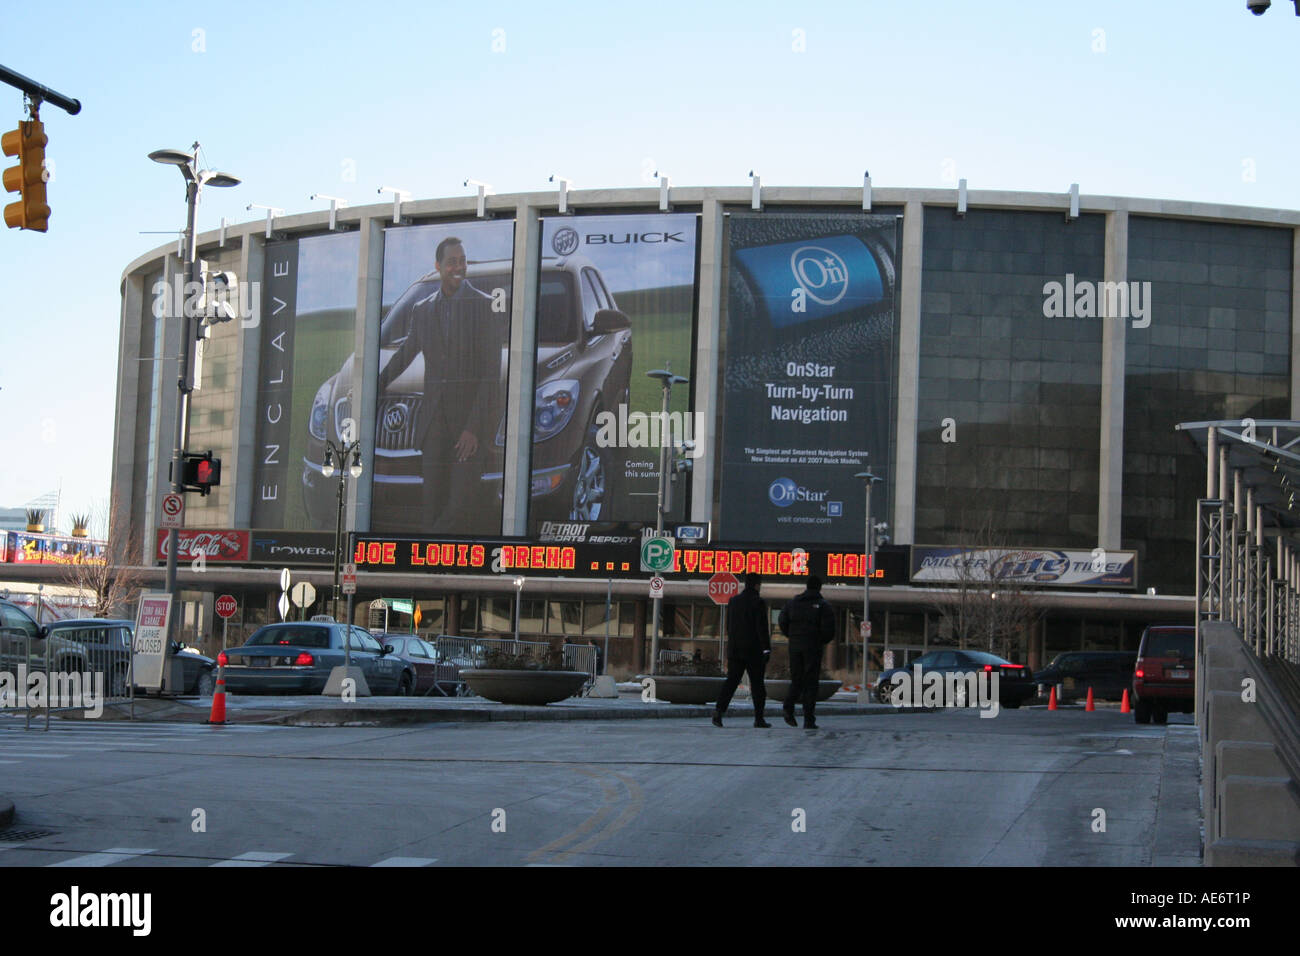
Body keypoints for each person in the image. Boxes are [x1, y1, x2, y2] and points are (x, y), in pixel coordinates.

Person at [377, 236, 503, 532]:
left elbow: (490, 375)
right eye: (452, 262)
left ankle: (438, 559)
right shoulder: (422, 310)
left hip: (468, 429)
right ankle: (428, 569)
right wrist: (374, 386)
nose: (458, 267)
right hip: (433, 425)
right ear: (438, 267)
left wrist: (473, 428)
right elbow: (405, 355)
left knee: (458, 506)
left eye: (462, 261)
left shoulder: (485, 308)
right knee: (430, 504)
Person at [713, 573, 771, 728]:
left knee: (731, 682)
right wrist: (766, 649)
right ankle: (759, 719)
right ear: (757, 585)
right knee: (757, 685)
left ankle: (719, 711)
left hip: (735, 649)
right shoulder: (758, 602)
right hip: (754, 651)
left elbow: (729, 626)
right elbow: (762, 628)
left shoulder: (733, 601)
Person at [779, 574, 836, 729]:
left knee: (796, 679)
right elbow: (829, 629)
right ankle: (808, 719)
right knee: (811, 682)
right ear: (819, 587)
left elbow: (782, 621)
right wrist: (820, 640)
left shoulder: (792, 603)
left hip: (795, 646)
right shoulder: (823, 606)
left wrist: (792, 635)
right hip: (813, 647)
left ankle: (788, 706)